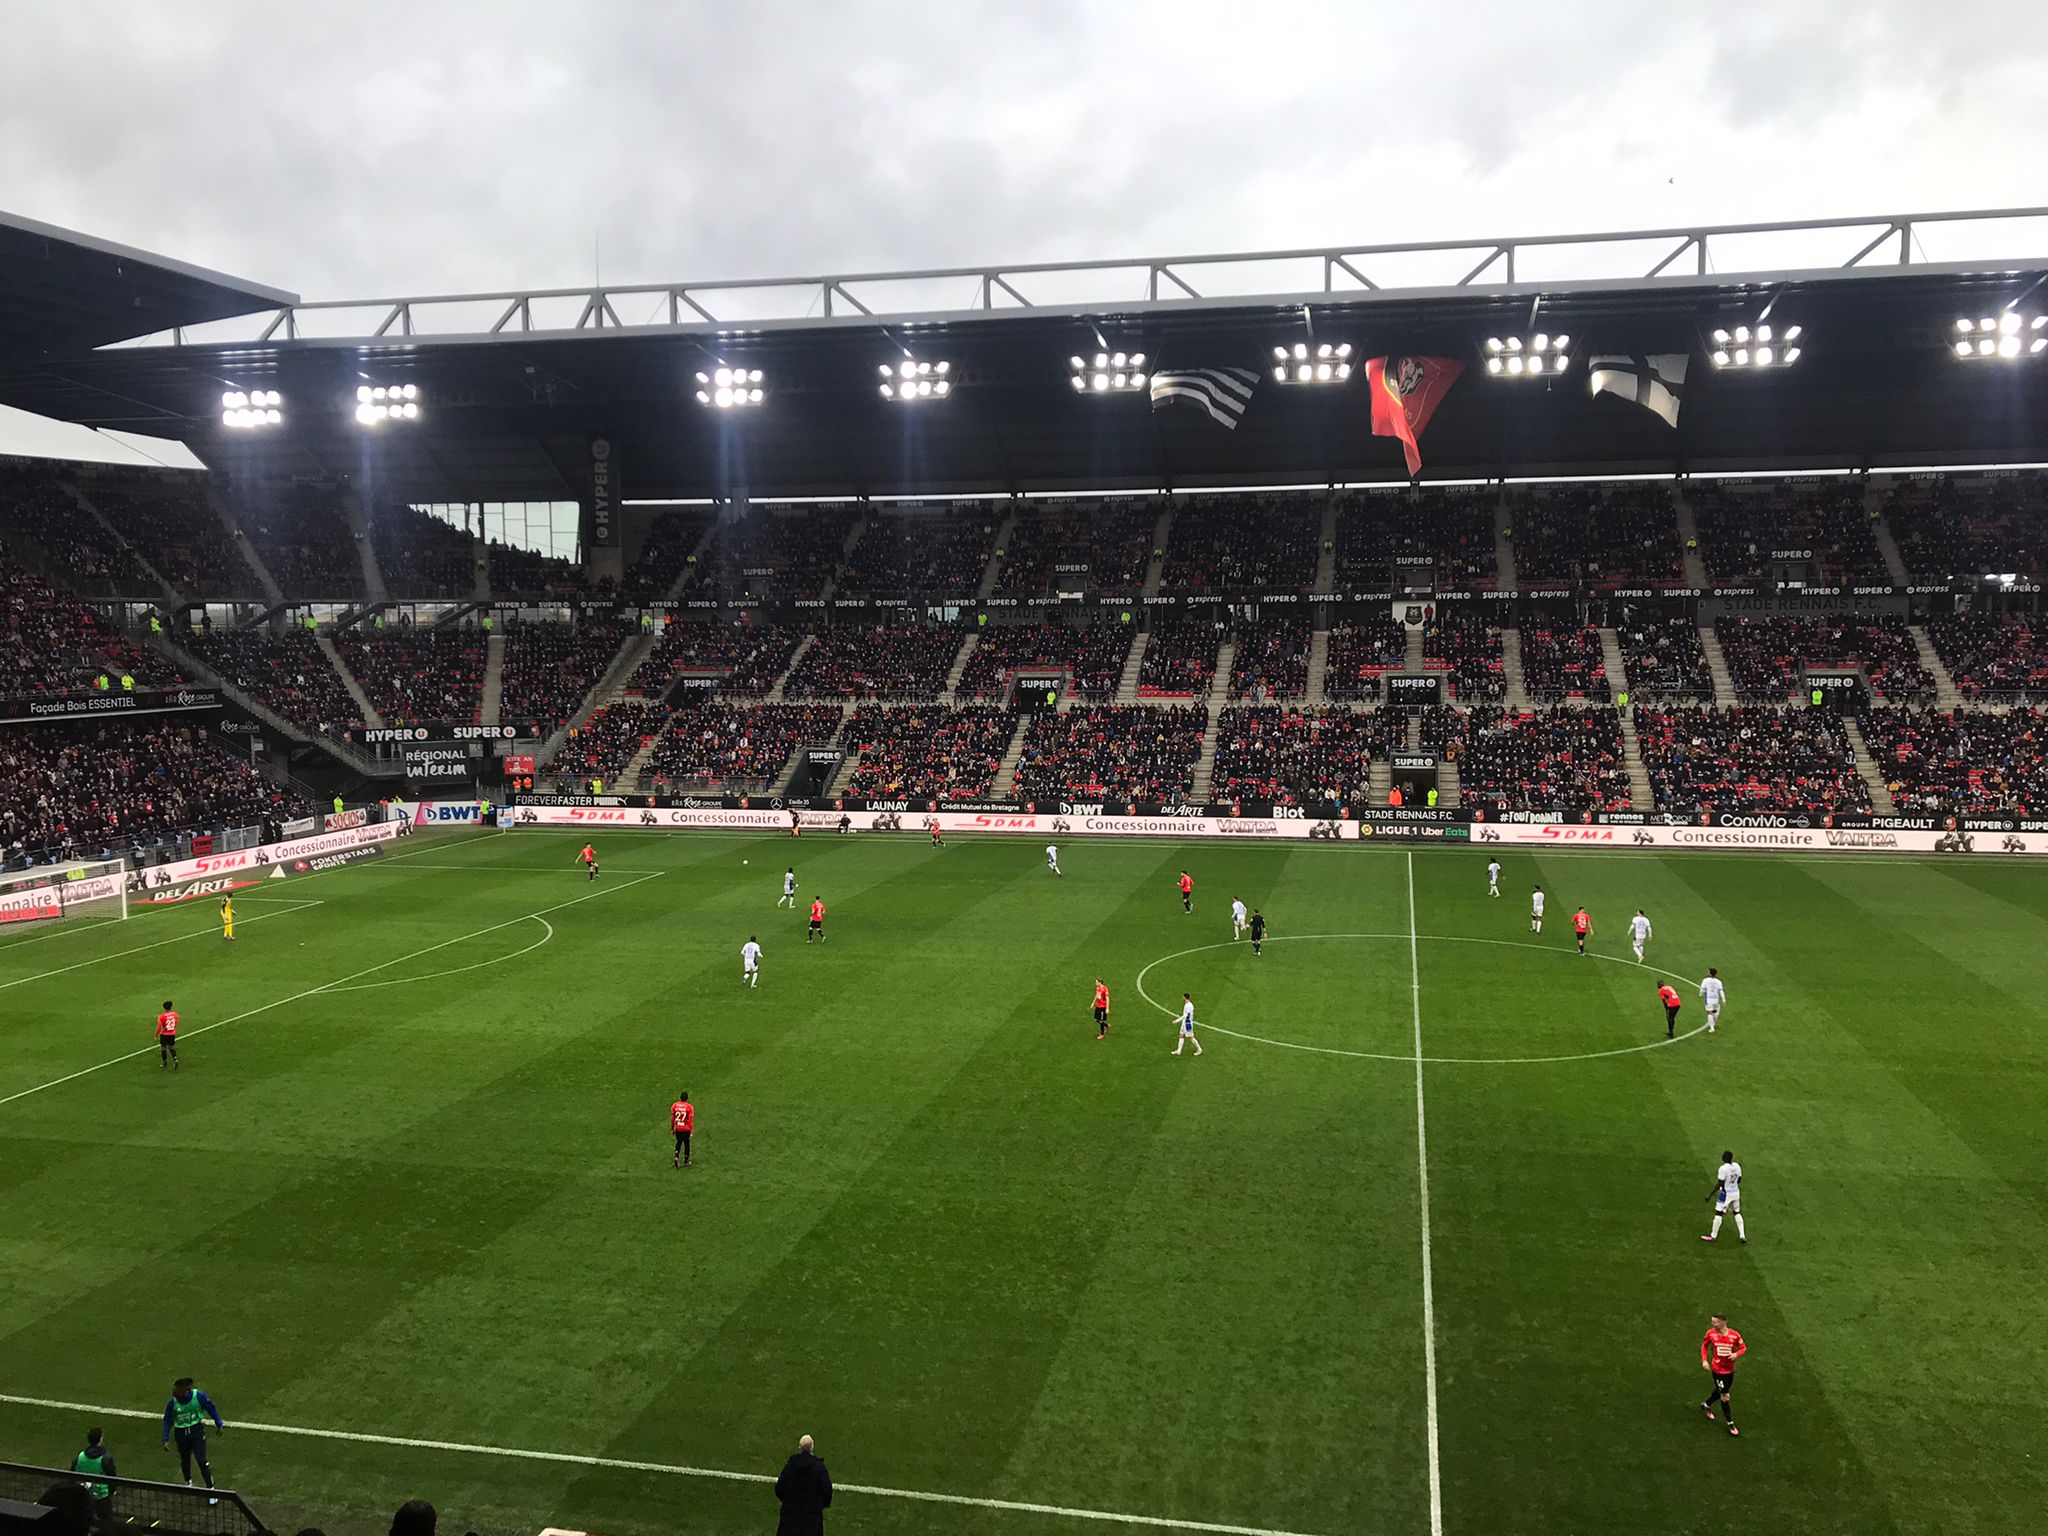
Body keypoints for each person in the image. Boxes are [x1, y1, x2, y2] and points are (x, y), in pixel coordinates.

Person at [160, 1378, 225, 1493]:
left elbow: (211, 1408)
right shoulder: (173, 1402)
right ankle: (188, 1482)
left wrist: (218, 1422)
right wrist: (165, 1438)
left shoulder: (198, 1396)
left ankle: (211, 1489)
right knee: (185, 1460)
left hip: (196, 1432)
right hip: (181, 1434)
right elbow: (167, 1420)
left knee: (202, 1461)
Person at [774, 1434, 832, 1536]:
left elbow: (779, 1488)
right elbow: (827, 1490)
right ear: (812, 1448)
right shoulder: (819, 1468)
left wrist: (788, 1502)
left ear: (799, 1447)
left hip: (790, 1518)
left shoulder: (790, 1466)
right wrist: (820, 1505)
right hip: (812, 1519)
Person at [1699, 1315, 1747, 1436]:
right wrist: (1704, 1360)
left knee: (1720, 1391)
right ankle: (1730, 1423)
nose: (1712, 1324)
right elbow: (1704, 1345)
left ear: (1723, 1322)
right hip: (1717, 1370)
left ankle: (1706, 1405)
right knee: (1725, 1396)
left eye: (1715, 1322)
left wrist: (1736, 1354)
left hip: (1730, 1370)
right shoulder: (1711, 1334)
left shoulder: (1735, 1335)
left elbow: (1743, 1347)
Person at [73, 1426, 116, 1531]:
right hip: (101, 1496)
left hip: (84, 1496)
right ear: (100, 1439)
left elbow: (72, 1475)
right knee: (107, 1524)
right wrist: (112, 1491)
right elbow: (112, 1479)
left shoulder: (80, 1456)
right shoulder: (105, 1458)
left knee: (84, 1522)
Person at [1703, 1150, 1746, 1243]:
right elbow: (1739, 1180)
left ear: (1724, 1158)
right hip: (1736, 1193)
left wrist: (1710, 1195)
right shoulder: (1737, 1166)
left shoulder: (1723, 1169)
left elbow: (1720, 1183)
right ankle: (1742, 1235)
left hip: (1726, 1194)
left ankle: (1713, 1236)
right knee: (1737, 1213)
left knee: (1719, 1213)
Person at [1173, 992, 1202, 1057]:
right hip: (1184, 1023)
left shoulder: (1188, 1006)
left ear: (1184, 997)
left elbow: (1185, 1016)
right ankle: (1179, 1051)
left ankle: (1199, 1049)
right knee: (1181, 1035)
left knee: (1191, 1037)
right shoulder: (1189, 1005)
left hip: (1187, 1024)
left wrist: (1176, 1021)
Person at [670, 1092, 694, 1170]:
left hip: (678, 1128)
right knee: (687, 1144)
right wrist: (691, 1131)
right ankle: (686, 1161)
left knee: (678, 1142)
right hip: (686, 1128)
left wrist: (672, 1128)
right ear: (687, 1098)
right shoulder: (689, 1107)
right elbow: (690, 1120)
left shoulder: (675, 1105)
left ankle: (676, 1156)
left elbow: (673, 1118)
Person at [1699, 967, 1726, 1034]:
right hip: (1716, 999)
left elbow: (1702, 989)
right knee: (1715, 1012)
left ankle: (1712, 1028)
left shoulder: (1705, 980)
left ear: (1710, 973)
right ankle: (1713, 1023)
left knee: (1709, 1013)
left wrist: (1700, 994)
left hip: (1709, 999)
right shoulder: (1718, 981)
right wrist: (1723, 999)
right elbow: (1721, 991)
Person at [157, 1000, 180, 1071]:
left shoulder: (162, 1016)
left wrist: (156, 1035)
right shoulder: (175, 1014)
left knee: (163, 1048)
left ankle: (165, 1062)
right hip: (172, 1033)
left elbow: (159, 1027)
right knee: (171, 1047)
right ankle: (175, 1059)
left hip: (164, 1034)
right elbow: (176, 1022)